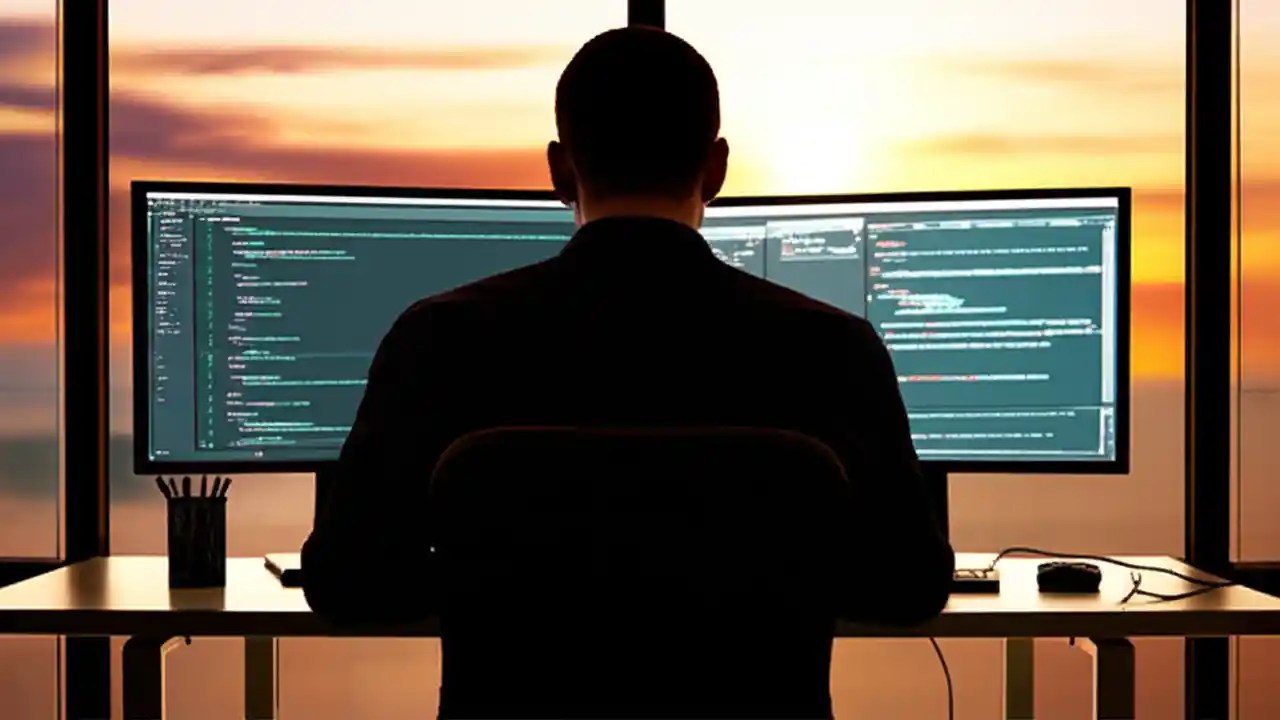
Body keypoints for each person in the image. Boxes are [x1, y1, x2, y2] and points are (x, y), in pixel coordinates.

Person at [302, 25, 954, 717]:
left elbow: (349, 582)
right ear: (716, 168)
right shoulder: (832, 348)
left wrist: (490, 575)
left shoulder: (438, 339)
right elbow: (907, 587)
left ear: (559, 170)